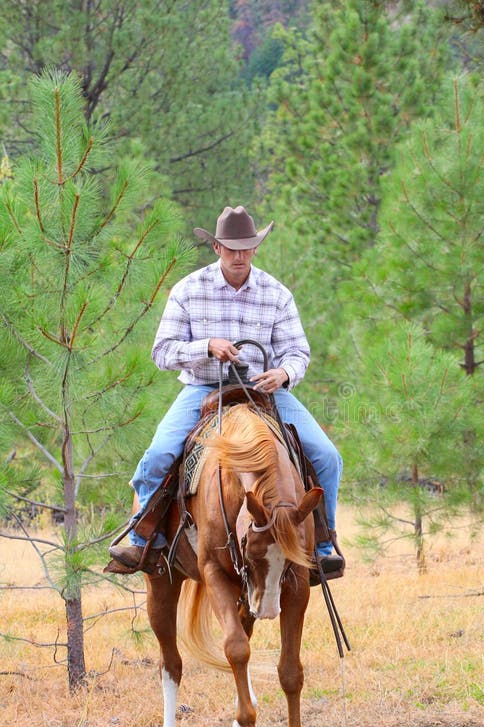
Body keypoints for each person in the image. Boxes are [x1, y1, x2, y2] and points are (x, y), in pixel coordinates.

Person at [109, 204, 344, 575]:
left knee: (327, 456)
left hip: (264, 392)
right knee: (158, 454)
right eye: (232, 248)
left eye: (246, 248)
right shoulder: (188, 290)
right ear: (217, 247)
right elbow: (162, 351)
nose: (239, 255)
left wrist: (282, 373)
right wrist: (205, 347)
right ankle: (143, 540)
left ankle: (323, 543)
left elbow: (297, 351)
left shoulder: (276, 294)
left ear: (255, 248)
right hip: (203, 389)